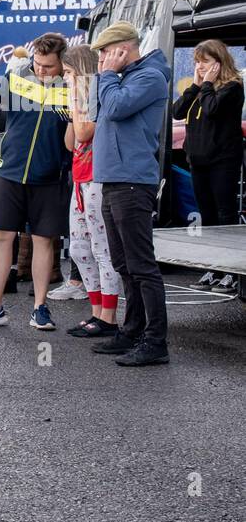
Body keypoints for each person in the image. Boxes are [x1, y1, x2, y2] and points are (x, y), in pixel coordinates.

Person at [0, 33, 72, 330]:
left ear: (62, 63)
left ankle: (40, 308)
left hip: (49, 177)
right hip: (8, 172)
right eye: (37, 64)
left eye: (48, 66)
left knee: (43, 240)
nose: (41, 71)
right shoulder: (18, 77)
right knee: (1, 237)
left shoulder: (72, 88)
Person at [88, 21, 173, 366]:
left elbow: (116, 108)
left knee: (142, 265)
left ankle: (155, 341)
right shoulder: (121, 78)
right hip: (114, 179)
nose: (103, 60)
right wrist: (104, 76)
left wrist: (107, 76)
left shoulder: (150, 77)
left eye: (107, 52)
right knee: (124, 263)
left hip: (133, 181)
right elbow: (96, 112)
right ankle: (133, 329)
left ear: (124, 48)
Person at [59, 45, 120, 338]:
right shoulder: (79, 99)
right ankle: (96, 311)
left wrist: (76, 99)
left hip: (98, 178)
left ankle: (108, 316)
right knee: (79, 249)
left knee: (101, 248)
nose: (64, 78)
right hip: (80, 177)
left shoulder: (97, 95)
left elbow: (85, 133)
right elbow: (71, 142)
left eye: (68, 72)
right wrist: (72, 107)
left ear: (81, 71)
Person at [174, 39, 244, 294]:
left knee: (225, 215)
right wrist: (195, 85)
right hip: (198, 160)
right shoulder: (200, 89)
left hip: (222, 160)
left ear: (219, 62)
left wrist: (206, 84)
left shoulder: (233, 87)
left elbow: (212, 109)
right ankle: (214, 266)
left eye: (205, 61)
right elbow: (177, 111)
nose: (199, 66)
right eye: (197, 62)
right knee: (208, 215)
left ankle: (232, 270)